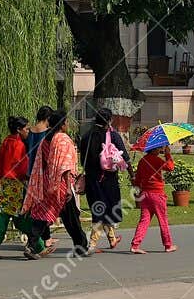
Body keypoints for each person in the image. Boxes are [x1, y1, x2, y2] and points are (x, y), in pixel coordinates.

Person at [21, 109, 89, 259]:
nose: (68, 124)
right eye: (66, 122)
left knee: (43, 215)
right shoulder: (63, 139)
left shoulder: (46, 139)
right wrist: (68, 188)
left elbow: (43, 162)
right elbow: (64, 166)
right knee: (71, 217)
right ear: (62, 124)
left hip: (46, 182)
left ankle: (31, 245)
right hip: (60, 184)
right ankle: (81, 246)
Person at [80, 109, 133, 251]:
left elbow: (82, 161)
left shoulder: (86, 136)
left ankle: (112, 238)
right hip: (108, 179)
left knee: (100, 208)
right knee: (102, 210)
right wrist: (132, 174)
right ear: (109, 120)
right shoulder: (113, 135)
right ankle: (92, 243)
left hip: (92, 178)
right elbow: (125, 157)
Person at [0, 115, 30, 258]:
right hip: (14, 184)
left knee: (0, 217)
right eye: (27, 129)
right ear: (19, 130)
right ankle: (37, 243)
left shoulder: (6, 141)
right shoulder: (19, 145)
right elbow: (21, 167)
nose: (28, 131)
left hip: (2, 183)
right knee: (20, 217)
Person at [129, 143, 177, 254]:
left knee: (144, 220)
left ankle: (135, 245)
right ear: (154, 149)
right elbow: (170, 167)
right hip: (157, 194)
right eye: (159, 148)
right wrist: (168, 154)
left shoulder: (142, 161)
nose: (160, 150)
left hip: (145, 194)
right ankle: (168, 245)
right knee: (163, 220)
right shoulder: (156, 160)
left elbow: (137, 180)